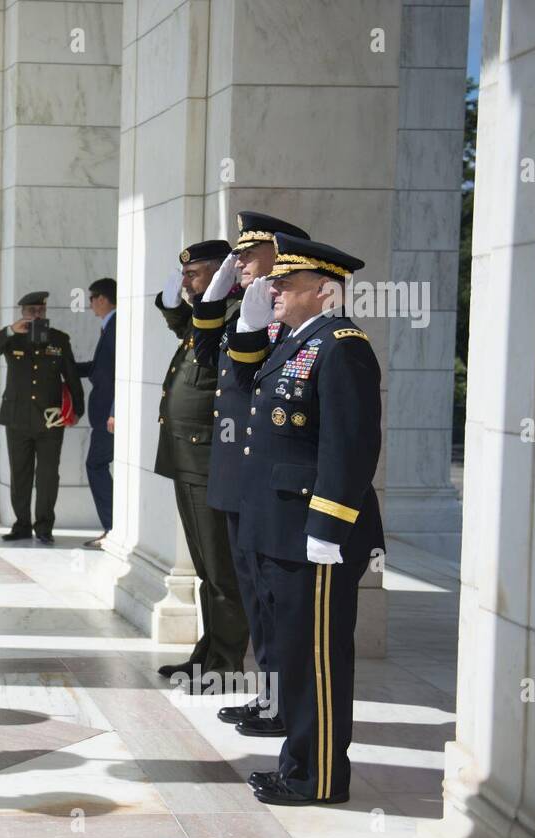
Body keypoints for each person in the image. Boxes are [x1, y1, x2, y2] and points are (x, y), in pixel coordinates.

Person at [238, 234, 383, 806]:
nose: (273, 290)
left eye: (286, 283)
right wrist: (246, 325)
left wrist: (327, 528)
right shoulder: (295, 341)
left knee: (317, 660)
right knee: (294, 657)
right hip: (278, 528)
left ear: (325, 290)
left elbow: (350, 447)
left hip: (313, 533)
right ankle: (299, 765)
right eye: (274, 281)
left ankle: (317, 779)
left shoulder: (342, 346)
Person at [190, 212, 311, 735]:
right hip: (236, 472)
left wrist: (247, 320)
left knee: (274, 598)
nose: (238, 261)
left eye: (248, 253)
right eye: (236, 255)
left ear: (281, 256)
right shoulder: (251, 310)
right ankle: (269, 696)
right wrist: (213, 300)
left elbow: (249, 377)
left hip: (264, 477)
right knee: (255, 595)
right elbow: (205, 356)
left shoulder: (287, 320)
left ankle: (283, 703)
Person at [153, 241, 249, 692]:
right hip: (188, 455)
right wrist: (173, 303)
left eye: (194, 274)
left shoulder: (236, 315)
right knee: (206, 568)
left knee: (221, 570)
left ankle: (225, 666)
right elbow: (188, 331)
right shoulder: (210, 314)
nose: (187, 282)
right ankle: (207, 654)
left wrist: (200, 305)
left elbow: (211, 351)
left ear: (219, 274)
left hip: (210, 455)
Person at [0, 291, 84, 545]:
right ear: (23, 312)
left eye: (41, 310)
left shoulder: (58, 339)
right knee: (20, 474)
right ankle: (22, 525)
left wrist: (76, 411)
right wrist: (9, 331)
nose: (37, 314)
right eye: (32, 310)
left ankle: (44, 527)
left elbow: (71, 376)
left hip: (50, 420)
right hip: (17, 419)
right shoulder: (12, 339)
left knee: (48, 476)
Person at [76, 278, 116, 548]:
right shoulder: (109, 326)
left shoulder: (116, 326)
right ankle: (112, 526)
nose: (90, 304)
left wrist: (115, 411)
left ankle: (112, 527)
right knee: (98, 464)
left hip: (109, 416)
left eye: (91, 299)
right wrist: (65, 366)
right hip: (104, 415)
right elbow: (100, 368)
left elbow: (121, 373)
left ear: (102, 299)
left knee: (95, 464)